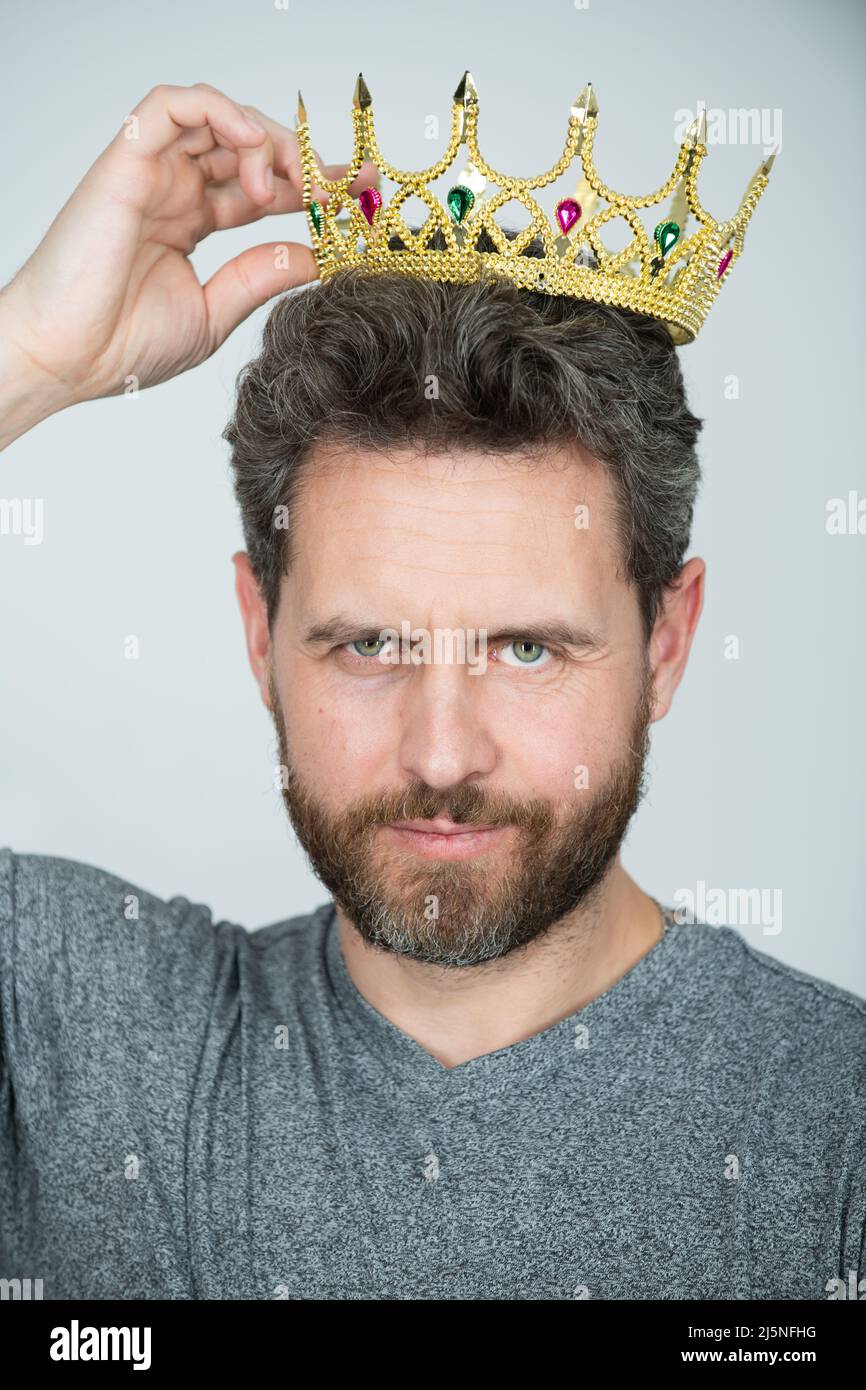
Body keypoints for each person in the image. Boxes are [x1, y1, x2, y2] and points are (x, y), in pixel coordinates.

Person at [1, 83, 863, 1302]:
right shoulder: (80, 1041)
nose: (442, 753)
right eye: (368, 647)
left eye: (525, 650)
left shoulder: (836, 1139)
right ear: (260, 631)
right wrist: (28, 358)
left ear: (667, 643)